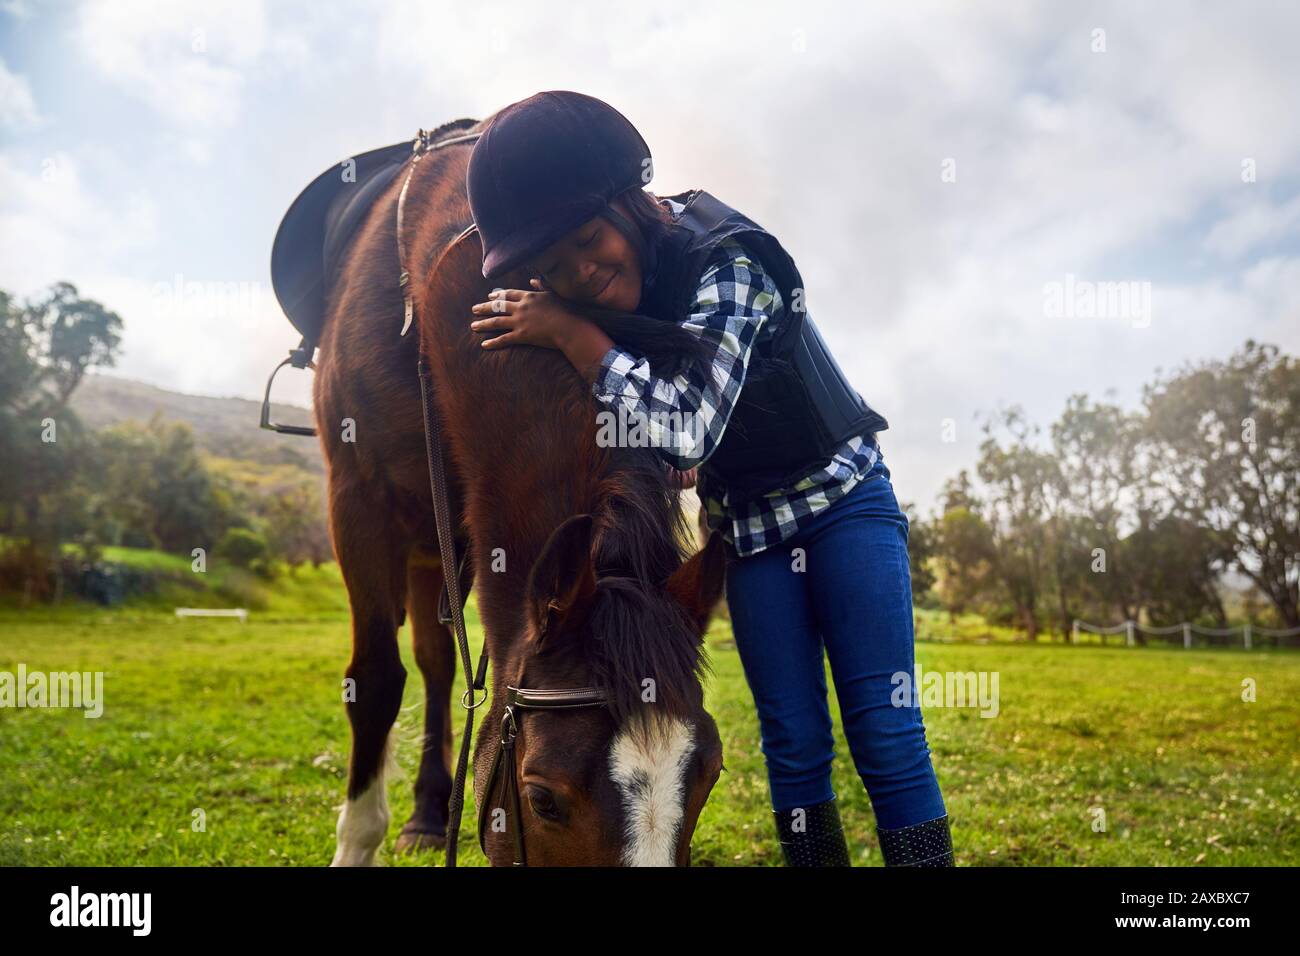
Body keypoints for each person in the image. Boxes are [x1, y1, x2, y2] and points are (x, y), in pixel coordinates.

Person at [464, 90, 953, 867]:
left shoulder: (731, 259)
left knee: (886, 730)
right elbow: (665, 439)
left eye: (591, 240)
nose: (582, 273)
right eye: (553, 270)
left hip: (843, 505)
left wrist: (569, 334)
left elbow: (688, 424)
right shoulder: (616, 291)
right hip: (749, 532)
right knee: (792, 742)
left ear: (632, 203)